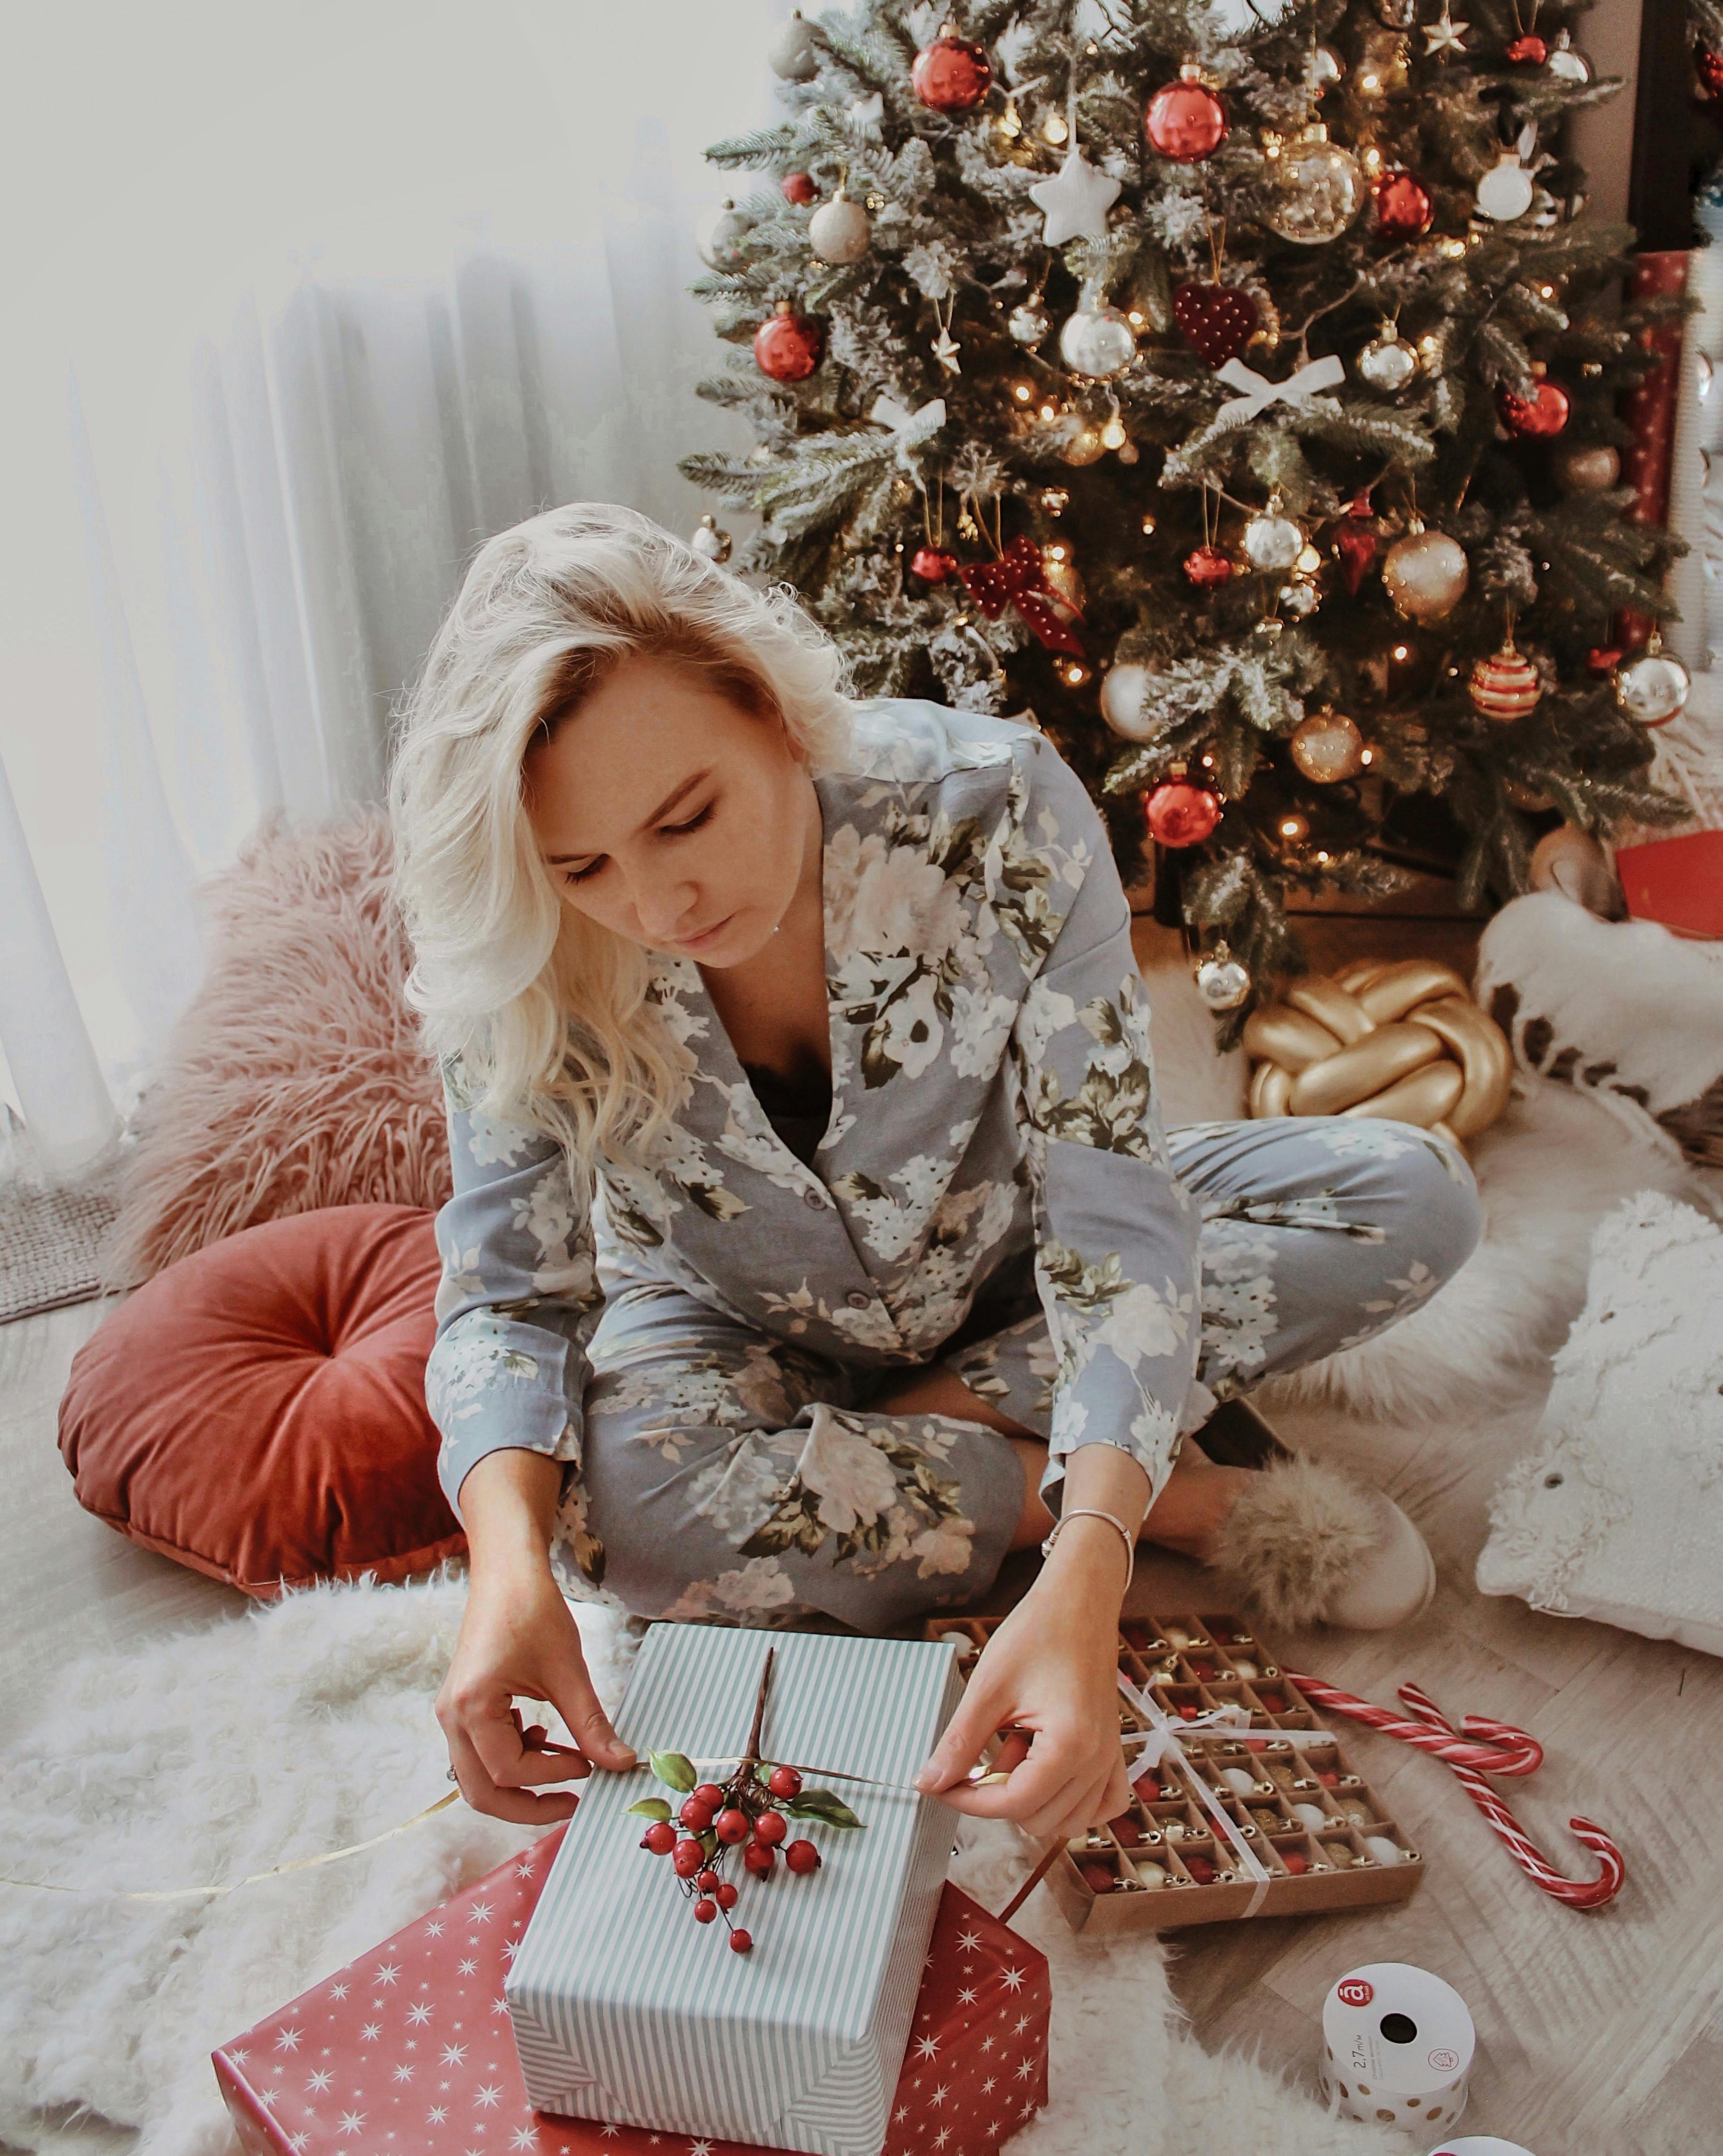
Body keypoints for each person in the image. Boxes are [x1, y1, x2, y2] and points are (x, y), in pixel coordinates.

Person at [389, 500, 1481, 1844]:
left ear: (776, 713)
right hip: (735, 1325)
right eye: (585, 866)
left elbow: (1116, 1220)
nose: (659, 906)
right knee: (612, 1516)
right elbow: (507, 1296)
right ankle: (1180, 1493)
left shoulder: (999, 808)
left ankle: (963, 1462)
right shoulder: (516, 940)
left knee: (1416, 1199)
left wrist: (1087, 1571)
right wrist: (503, 1572)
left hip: (1018, 1256)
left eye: (688, 818)